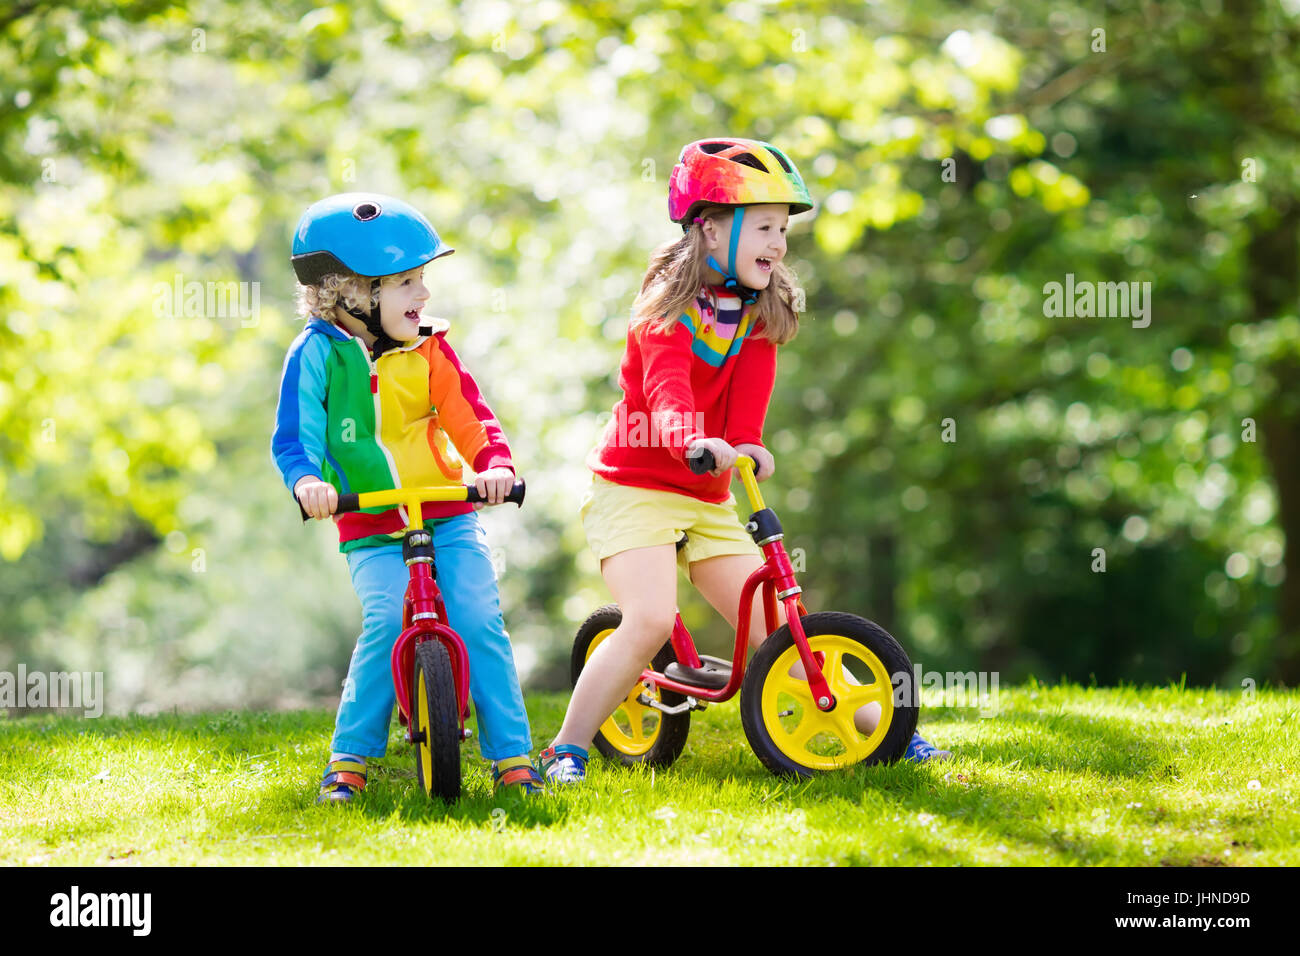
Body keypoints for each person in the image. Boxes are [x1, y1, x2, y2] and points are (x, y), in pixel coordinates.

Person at [539, 139, 950, 784]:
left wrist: (746, 444)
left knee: (781, 626)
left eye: (783, 230)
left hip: (706, 493)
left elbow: (749, 399)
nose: (779, 243)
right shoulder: (664, 311)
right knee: (647, 618)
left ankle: (884, 732)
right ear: (707, 228)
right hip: (635, 482)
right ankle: (566, 749)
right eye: (764, 227)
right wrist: (689, 442)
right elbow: (664, 391)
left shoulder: (760, 308)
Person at [272, 192, 542, 801]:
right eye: (405, 283)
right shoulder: (316, 355)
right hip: (368, 520)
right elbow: (295, 439)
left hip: (445, 507)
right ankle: (350, 762)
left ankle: (514, 759)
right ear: (348, 292)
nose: (423, 296)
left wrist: (493, 464)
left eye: (422, 280)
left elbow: (471, 418)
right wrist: (309, 482)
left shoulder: (430, 348)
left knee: (478, 618)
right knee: (384, 620)